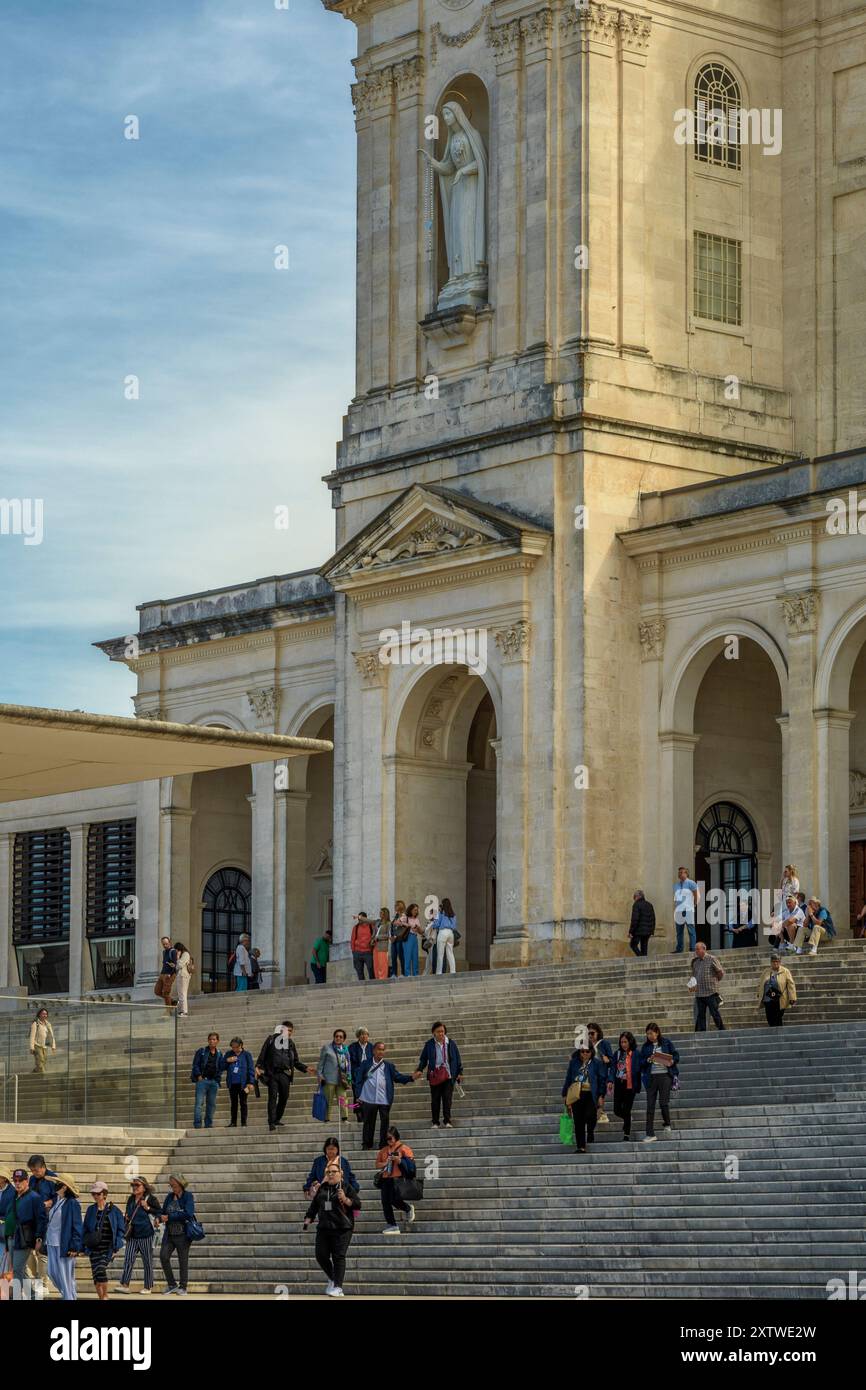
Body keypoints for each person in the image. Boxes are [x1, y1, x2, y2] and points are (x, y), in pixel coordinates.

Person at [303, 1159, 361, 1297]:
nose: (330, 1174)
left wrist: (346, 1199)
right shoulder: (322, 1188)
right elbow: (315, 1205)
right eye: (328, 1172)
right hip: (324, 1227)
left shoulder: (346, 1187)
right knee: (320, 1255)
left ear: (341, 1173)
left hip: (343, 1227)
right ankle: (332, 1278)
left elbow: (357, 1204)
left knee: (338, 1256)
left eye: (333, 1172)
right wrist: (309, 1217)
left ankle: (338, 1287)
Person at [356, 1041, 415, 1150]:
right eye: (379, 1049)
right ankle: (366, 1144)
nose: (381, 1051)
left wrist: (411, 1078)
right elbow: (359, 1080)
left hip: (384, 1099)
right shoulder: (366, 1064)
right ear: (373, 1051)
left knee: (384, 1123)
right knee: (368, 1123)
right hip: (368, 1099)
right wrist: (358, 1095)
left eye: (383, 1050)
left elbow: (398, 1077)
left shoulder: (389, 1066)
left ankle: (383, 1144)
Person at [257, 1021, 312, 1131]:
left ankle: (277, 1118)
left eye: (290, 1030)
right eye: (287, 1030)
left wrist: (305, 1068)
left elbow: (295, 1061)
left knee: (284, 1097)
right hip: (272, 1073)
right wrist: (258, 1066)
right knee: (272, 1097)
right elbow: (262, 1054)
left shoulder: (291, 1044)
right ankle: (271, 1122)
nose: (288, 1032)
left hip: (285, 1074)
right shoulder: (271, 1039)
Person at [414, 1021, 463, 1129]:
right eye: (438, 1032)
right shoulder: (429, 1044)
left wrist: (460, 1072)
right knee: (435, 1099)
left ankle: (447, 1121)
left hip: (448, 1075)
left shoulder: (451, 1043)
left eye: (442, 1031)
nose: (441, 1034)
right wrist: (420, 1069)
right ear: (433, 1033)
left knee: (447, 1098)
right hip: (435, 1075)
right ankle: (435, 1122)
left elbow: (457, 1058)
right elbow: (423, 1059)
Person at [115, 1177, 161, 1294]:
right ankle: (125, 1285)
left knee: (147, 1261)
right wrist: (126, 1218)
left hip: (146, 1234)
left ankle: (148, 1287)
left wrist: (148, 1208)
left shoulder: (151, 1199)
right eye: (133, 1185)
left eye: (137, 1185)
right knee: (128, 1259)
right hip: (132, 1234)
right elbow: (128, 1213)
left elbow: (160, 1212)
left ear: (144, 1187)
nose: (134, 1187)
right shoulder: (131, 1199)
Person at [561, 1043, 607, 1154]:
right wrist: (565, 1094)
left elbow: (602, 1080)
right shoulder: (574, 1063)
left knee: (590, 1116)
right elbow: (568, 1078)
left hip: (590, 1094)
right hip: (576, 1094)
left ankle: (590, 1130)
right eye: (582, 1051)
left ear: (591, 1052)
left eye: (587, 1051)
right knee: (578, 1120)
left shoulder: (596, 1063)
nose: (585, 1054)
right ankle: (581, 1146)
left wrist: (601, 1095)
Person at [82, 1182, 124, 1300]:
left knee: (101, 1269)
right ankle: (101, 1297)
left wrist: (117, 1246)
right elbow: (85, 1229)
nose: (95, 1196)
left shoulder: (114, 1210)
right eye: (93, 1194)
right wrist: (83, 1248)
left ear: (104, 1194)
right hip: (93, 1248)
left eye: (98, 1194)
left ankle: (105, 1295)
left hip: (107, 1248)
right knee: (96, 1275)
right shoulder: (91, 1210)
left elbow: (121, 1230)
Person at [639, 1024, 680, 1142]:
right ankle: (650, 1133)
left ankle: (667, 1124)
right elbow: (641, 1062)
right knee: (650, 1105)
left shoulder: (666, 1043)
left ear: (657, 1032)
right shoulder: (646, 1047)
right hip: (651, 1077)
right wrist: (647, 1059)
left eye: (651, 1033)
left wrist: (672, 1061)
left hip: (665, 1076)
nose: (649, 1036)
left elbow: (676, 1055)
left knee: (663, 1102)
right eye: (647, 1034)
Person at [10, 1167, 47, 1298]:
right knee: (20, 1269)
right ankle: (32, 1295)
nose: (17, 1183)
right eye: (15, 1180)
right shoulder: (14, 1196)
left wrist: (39, 1238)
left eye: (20, 1180)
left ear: (27, 1181)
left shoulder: (35, 1197)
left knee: (17, 1269)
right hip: (13, 1236)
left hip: (26, 1238)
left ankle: (19, 1296)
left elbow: (42, 1219)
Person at [45, 1174, 83, 1301]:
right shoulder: (57, 1201)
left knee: (65, 1276)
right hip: (51, 1242)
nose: (56, 1185)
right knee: (52, 1272)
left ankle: (69, 1297)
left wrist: (75, 1246)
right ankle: (69, 1295)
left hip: (63, 1244)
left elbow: (77, 1226)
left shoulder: (72, 1203)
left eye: (59, 1183)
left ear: (65, 1187)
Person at [159, 1175, 196, 1296]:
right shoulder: (169, 1197)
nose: (172, 1188)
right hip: (169, 1234)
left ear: (180, 1184)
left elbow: (188, 1213)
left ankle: (183, 1287)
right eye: (171, 1185)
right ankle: (171, 1284)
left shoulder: (187, 1196)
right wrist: (159, 1218)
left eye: (173, 1185)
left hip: (183, 1234)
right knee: (163, 1256)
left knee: (183, 1261)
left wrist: (170, 1216)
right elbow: (163, 1211)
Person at [376, 1126, 416, 1235]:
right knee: (385, 1202)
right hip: (385, 1178)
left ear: (396, 1137)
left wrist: (399, 1160)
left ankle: (408, 1208)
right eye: (387, 1139)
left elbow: (411, 1165)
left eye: (390, 1138)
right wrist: (385, 1163)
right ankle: (392, 1225)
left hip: (397, 1178)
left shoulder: (403, 1148)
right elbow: (377, 1164)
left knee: (394, 1200)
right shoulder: (383, 1150)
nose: (389, 1141)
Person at [27, 1154, 57, 1287]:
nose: (34, 1173)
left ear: (43, 1167)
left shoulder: (53, 1179)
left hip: (48, 1219)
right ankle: (35, 1277)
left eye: (36, 1170)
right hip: (32, 1218)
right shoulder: (32, 1179)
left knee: (42, 1252)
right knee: (29, 1250)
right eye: (32, 1170)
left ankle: (43, 1283)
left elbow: (60, 1197)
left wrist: (49, 1202)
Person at [190, 1032, 227, 1129]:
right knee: (199, 1104)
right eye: (210, 1039)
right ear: (208, 1040)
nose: (212, 1041)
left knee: (211, 1105)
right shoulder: (201, 1051)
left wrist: (217, 1078)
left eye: (214, 1039)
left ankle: (208, 1124)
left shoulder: (219, 1054)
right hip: (202, 1081)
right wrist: (198, 1076)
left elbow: (221, 1067)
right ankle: (197, 1125)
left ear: (218, 1041)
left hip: (213, 1082)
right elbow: (195, 1065)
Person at [317, 1028, 353, 1125]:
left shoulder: (345, 1050)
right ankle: (326, 1118)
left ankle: (344, 1118)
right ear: (334, 1037)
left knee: (343, 1098)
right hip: (329, 1078)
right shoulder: (327, 1048)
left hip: (342, 1079)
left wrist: (349, 1077)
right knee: (328, 1099)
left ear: (343, 1039)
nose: (338, 1038)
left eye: (340, 1037)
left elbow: (349, 1064)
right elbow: (320, 1064)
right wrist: (320, 1075)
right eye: (336, 1036)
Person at [609, 1031, 641, 1140]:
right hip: (619, 1084)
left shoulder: (636, 1054)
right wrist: (610, 1081)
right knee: (616, 1110)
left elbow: (639, 1067)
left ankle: (626, 1134)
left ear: (630, 1042)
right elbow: (613, 1068)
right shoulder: (617, 1053)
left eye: (625, 1042)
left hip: (630, 1085)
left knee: (627, 1110)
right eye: (621, 1042)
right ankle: (627, 1118)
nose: (623, 1044)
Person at [690, 940, 726, 1031]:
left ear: (704, 949)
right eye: (695, 950)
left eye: (698, 949)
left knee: (714, 1012)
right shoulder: (695, 962)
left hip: (711, 991)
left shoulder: (712, 958)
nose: (696, 951)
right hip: (699, 993)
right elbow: (694, 975)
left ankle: (721, 1028)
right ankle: (701, 1031)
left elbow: (720, 972)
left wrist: (715, 983)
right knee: (701, 1014)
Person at [224, 1036, 256, 1128]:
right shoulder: (228, 1054)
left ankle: (243, 1122)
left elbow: (250, 1069)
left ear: (241, 1045)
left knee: (243, 1103)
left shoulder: (247, 1054)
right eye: (233, 1047)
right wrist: (227, 1060)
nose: (234, 1049)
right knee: (233, 1103)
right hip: (232, 1083)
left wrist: (251, 1082)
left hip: (243, 1083)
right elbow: (221, 1066)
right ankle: (233, 1122)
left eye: (236, 1047)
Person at [757, 952, 797, 1026]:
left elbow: (791, 985)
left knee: (778, 1018)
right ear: (771, 962)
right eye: (773, 961)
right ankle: (773, 1034)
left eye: (777, 961)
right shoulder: (766, 971)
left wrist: (792, 997)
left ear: (780, 962)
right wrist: (759, 994)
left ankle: (779, 1035)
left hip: (780, 999)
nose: (775, 963)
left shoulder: (785, 971)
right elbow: (760, 983)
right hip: (768, 998)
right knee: (769, 1018)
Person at [586, 1024, 615, 1126]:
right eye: (588, 1033)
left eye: (592, 1033)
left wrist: (607, 1059)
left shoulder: (604, 1044)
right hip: (589, 1075)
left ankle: (601, 1113)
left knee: (600, 1095)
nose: (590, 1035)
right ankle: (597, 1114)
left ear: (598, 1033)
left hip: (601, 1074)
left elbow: (612, 1061)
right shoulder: (586, 1045)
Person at [348, 1028, 373, 1123]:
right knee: (357, 1095)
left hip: (369, 1075)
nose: (364, 1036)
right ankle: (358, 1113)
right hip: (356, 1074)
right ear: (358, 1036)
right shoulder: (352, 1047)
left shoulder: (371, 1047)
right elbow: (350, 1062)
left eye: (366, 1034)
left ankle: (366, 1112)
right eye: (362, 1034)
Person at [674, 867, 699, 954]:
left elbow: (696, 895)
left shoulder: (691, 883)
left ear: (686, 874)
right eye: (679, 873)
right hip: (678, 911)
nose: (680, 874)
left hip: (688, 910)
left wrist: (694, 904)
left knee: (691, 930)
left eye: (682, 872)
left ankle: (693, 948)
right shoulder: (676, 885)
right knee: (679, 931)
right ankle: (679, 948)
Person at [432, 897, 458, 974]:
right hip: (450, 933)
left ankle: (439, 972)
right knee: (450, 953)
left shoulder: (440, 913)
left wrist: (434, 924)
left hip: (442, 932)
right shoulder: (453, 914)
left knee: (440, 954)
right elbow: (454, 926)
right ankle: (453, 971)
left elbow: (436, 924)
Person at [29, 1007, 56, 1073]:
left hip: (44, 1046)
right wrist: (31, 1047)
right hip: (37, 1045)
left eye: (46, 1014)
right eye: (43, 1014)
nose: (44, 1015)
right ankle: (42, 1075)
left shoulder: (48, 1024)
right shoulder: (35, 1023)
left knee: (43, 1061)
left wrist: (53, 1045)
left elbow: (51, 1036)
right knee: (40, 1060)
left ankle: (34, 1072)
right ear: (39, 1014)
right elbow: (32, 1036)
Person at [628, 890, 655, 957]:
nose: (634, 899)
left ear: (637, 896)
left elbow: (635, 919)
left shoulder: (636, 905)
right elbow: (653, 918)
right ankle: (644, 960)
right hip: (648, 931)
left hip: (638, 931)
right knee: (644, 948)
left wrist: (631, 931)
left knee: (633, 945)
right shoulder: (649, 905)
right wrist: (652, 930)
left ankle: (641, 958)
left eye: (634, 897)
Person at [350, 911, 375, 981]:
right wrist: (353, 951)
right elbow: (352, 939)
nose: (359, 920)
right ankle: (362, 986)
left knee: (371, 969)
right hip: (357, 952)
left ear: (365, 918)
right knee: (359, 971)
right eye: (358, 918)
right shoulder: (356, 927)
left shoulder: (371, 926)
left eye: (360, 918)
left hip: (368, 952)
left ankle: (373, 985)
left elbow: (374, 937)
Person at [155, 937, 177, 1007]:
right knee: (157, 991)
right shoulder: (164, 952)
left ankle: (168, 1010)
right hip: (162, 974)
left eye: (166, 944)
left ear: (169, 942)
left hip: (169, 974)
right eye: (163, 944)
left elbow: (175, 965)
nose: (165, 945)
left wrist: (170, 974)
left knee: (166, 993)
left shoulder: (173, 951)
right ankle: (172, 1000)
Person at [390, 901, 410, 978]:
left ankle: (403, 973)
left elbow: (401, 928)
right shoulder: (396, 916)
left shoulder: (404, 916)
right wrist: (391, 936)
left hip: (399, 939)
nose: (395, 906)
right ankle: (394, 974)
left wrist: (395, 937)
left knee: (401, 956)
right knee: (393, 956)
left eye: (396, 905)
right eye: (395, 905)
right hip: (393, 939)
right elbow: (392, 927)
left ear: (401, 906)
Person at [174, 941, 193, 1017]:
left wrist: (178, 958)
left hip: (183, 976)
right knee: (181, 993)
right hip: (181, 976)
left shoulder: (185, 954)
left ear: (179, 949)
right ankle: (182, 1010)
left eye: (176, 950)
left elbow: (179, 965)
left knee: (182, 993)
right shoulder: (184, 954)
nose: (176, 952)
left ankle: (184, 1011)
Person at [404, 903, 422, 977]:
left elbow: (420, 932)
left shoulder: (417, 919)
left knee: (415, 956)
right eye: (414, 910)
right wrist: (408, 925)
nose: (416, 912)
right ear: (410, 910)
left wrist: (418, 928)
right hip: (408, 937)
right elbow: (396, 922)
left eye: (417, 910)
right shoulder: (405, 917)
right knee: (407, 956)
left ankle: (416, 973)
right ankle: (407, 974)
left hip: (414, 937)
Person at [373, 908, 391, 980]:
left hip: (383, 946)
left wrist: (378, 937)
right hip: (376, 946)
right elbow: (369, 922)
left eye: (381, 913)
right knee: (376, 964)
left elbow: (388, 935)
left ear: (385, 914)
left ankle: (383, 978)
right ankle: (378, 978)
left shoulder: (388, 923)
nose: (379, 914)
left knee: (382, 964)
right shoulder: (378, 922)